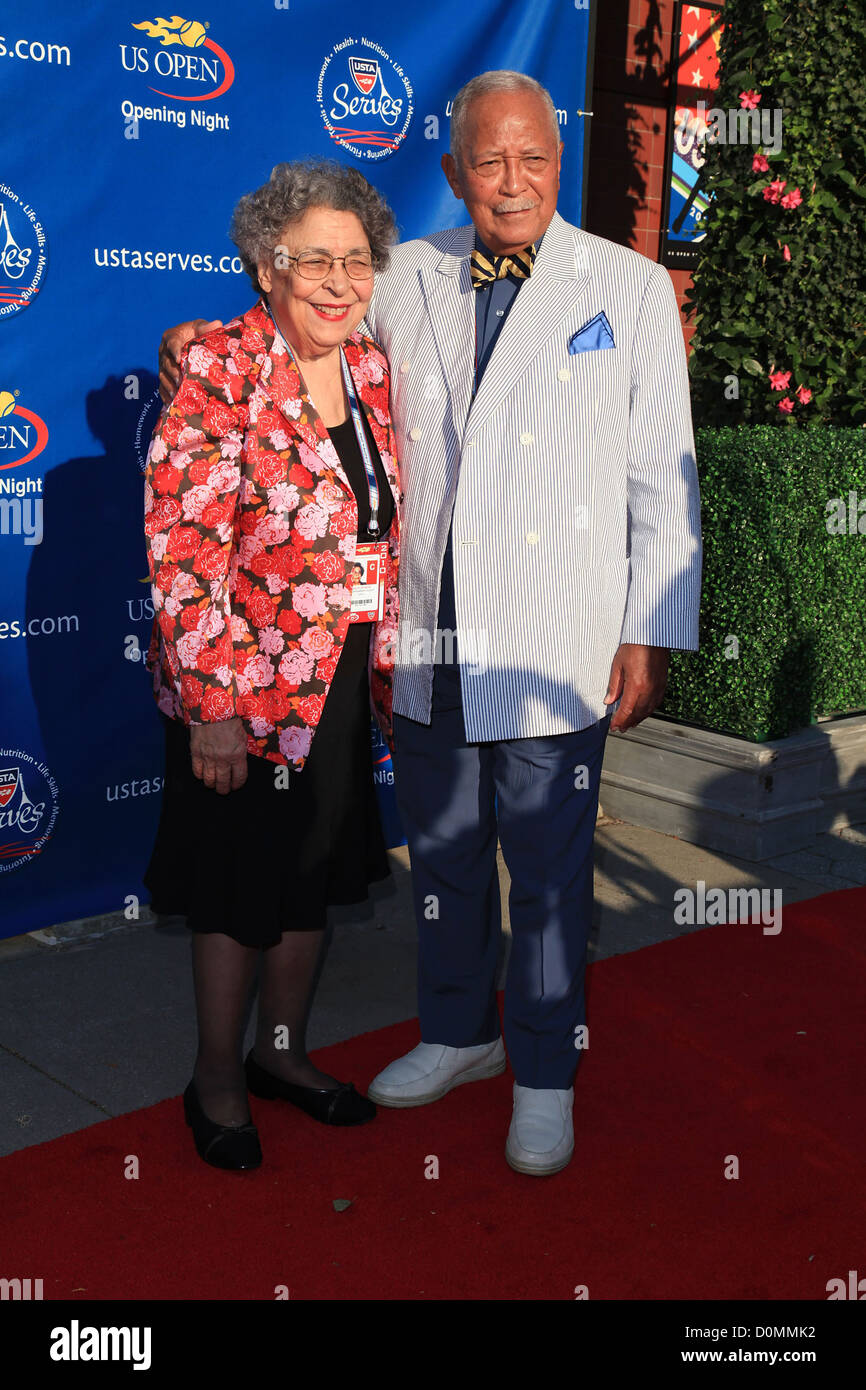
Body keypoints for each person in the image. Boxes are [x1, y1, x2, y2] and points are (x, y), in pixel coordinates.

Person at [158, 70, 702, 1177]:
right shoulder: (401, 271)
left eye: (533, 158)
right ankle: (460, 1032)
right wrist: (195, 339)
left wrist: (647, 628)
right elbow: (291, 311)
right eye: (488, 161)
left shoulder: (633, 287)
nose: (512, 181)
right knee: (446, 855)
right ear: (453, 171)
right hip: (419, 638)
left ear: (559, 159)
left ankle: (543, 1072)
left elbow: (661, 475)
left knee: (547, 873)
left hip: (555, 635)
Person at [144, 160, 400, 1170]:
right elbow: (182, 546)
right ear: (264, 266)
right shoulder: (222, 367)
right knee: (239, 890)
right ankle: (214, 1075)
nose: (338, 281)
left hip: (340, 682)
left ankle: (281, 1056)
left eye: (356, 260)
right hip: (243, 692)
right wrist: (209, 708)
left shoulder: (374, 367)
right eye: (312, 261)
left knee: (310, 882)